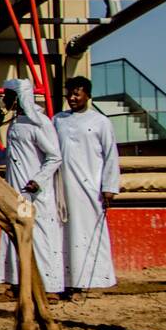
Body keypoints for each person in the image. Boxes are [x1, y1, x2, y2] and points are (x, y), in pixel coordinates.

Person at [0, 78, 65, 296]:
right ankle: (16, 285)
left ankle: (48, 288)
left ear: (17, 98)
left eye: (7, 96)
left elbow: (54, 157)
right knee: (14, 234)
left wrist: (39, 180)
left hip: (35, 193)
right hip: (15, 191)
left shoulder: (40, 123)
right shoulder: (16, 123)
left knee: (40, 237)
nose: (4, 100)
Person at [54, 75, 120, 292]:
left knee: (88, 234)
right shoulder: (58, 120)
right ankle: (66, 282)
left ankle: (92, 282)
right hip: (62, 190)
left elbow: (111, 156)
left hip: (90, 189)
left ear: (87, 96)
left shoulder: (101, 122)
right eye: (69, 93)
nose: (72, 98)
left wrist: (109, 188)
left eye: (77, 93)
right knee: (64, 236)